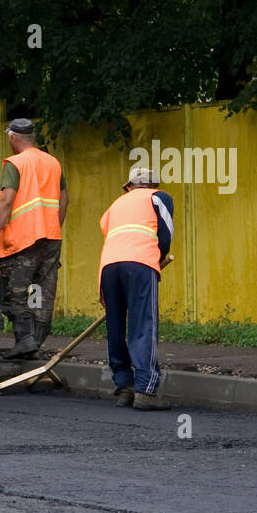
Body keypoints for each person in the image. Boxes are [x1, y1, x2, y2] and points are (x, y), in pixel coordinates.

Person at [0, 118, 68, 358]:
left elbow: (6, 200)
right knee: (43, 292)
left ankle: (25, 341)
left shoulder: (15, 163)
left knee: (14, 292)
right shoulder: (52, 162)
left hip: (23, 239)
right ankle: (33, 344)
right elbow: (64, 199)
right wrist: (54, 225)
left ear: (13, 138)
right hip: (51, 238)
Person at [99, 166, 174, 411]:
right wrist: (156, 258)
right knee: (143, 324)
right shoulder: (159, 197)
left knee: (116, 326)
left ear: (129, 186)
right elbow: (165, 235)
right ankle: (145, 390)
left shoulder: (116, 204)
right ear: (154, 185)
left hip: (109, 266)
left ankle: (124, 387)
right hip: (140, 264)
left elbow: (106, 229)